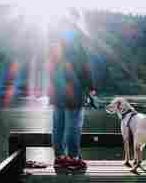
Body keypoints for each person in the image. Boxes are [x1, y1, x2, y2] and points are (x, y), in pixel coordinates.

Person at [48, 9, 94, 170]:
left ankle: (60, 158)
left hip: (57, 89)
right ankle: (73, 159)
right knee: (73, 125)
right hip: (73, 89)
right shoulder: (76, 36)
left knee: (58, 125)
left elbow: (51, 65)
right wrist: (90, 86)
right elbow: (83, 63)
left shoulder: (53, 37)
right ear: (74, 18)